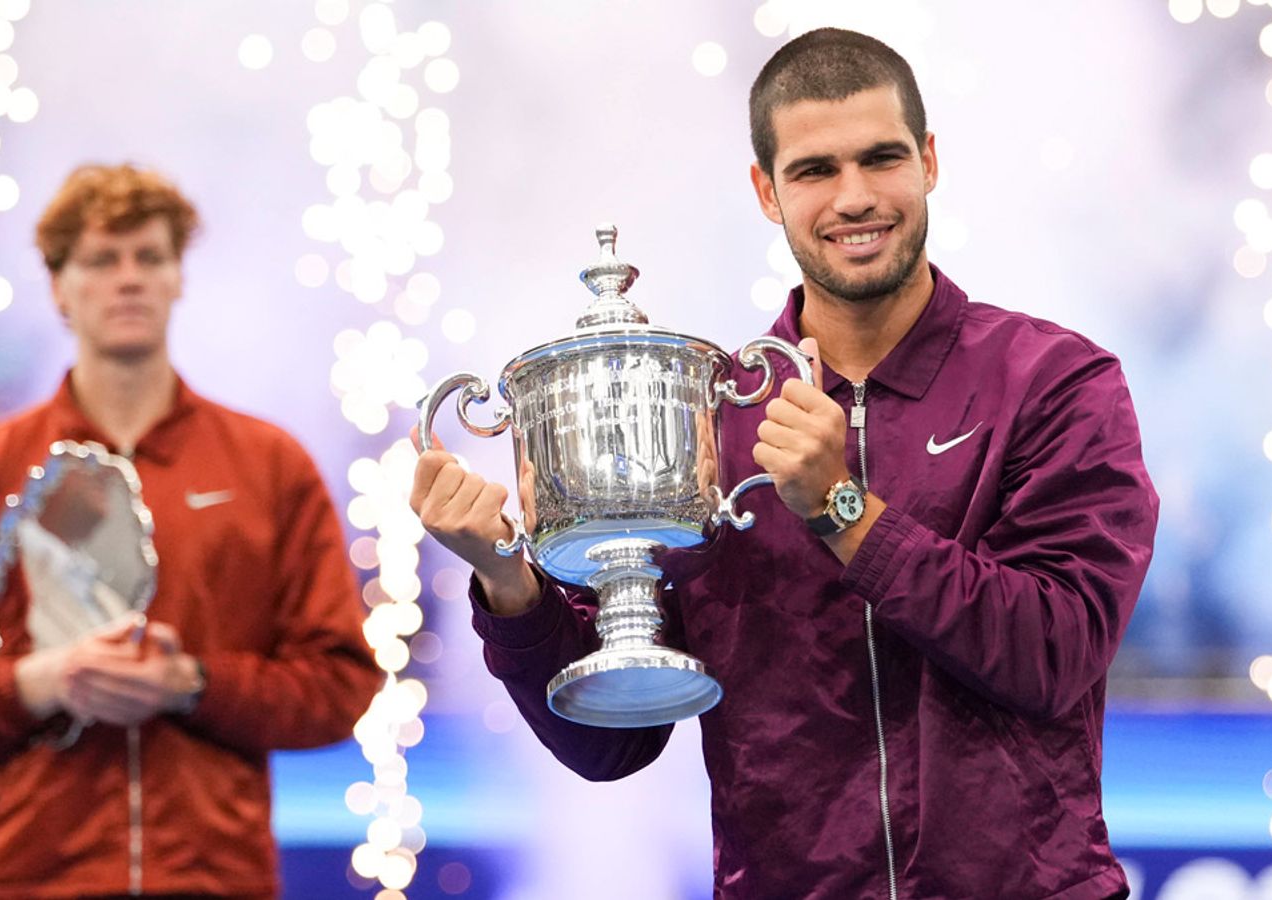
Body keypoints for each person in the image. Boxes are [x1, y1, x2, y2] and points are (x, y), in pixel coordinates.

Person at [411, 28, 1157, 900]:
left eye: (880, 160)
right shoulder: (708, 417)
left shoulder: (1053, 381)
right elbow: (612, 742)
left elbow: (1054, 656)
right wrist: (510, 589)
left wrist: (844, 512)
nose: (854, 198)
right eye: (814, 171)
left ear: (928, 163)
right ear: (767, 191)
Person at [0, 164, 383, 899]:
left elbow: (340, 685)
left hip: (216, 878)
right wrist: (43, 681)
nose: (129, 279)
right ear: (57, 285)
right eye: (100, 260)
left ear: (179, 277)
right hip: (26, 880)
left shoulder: (267, 466)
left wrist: (192, 684)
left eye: (150, 257)